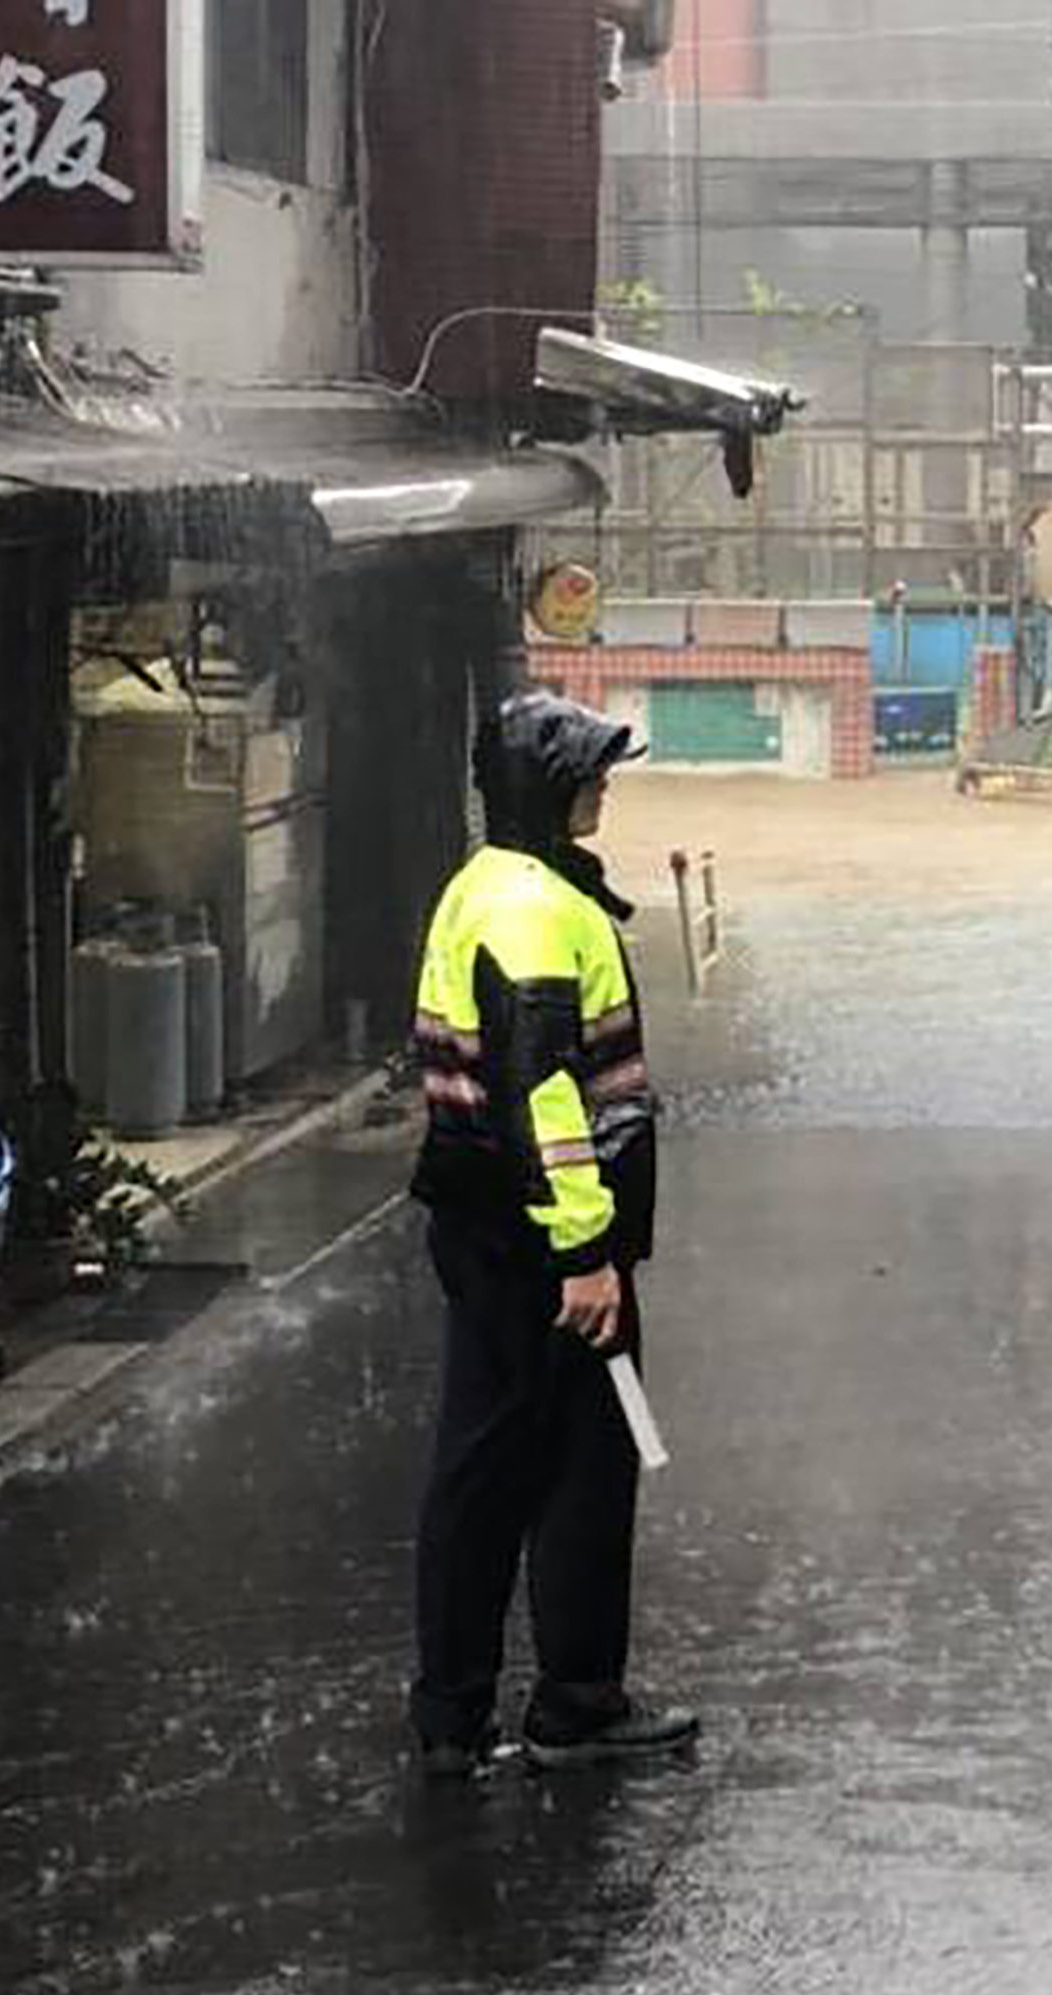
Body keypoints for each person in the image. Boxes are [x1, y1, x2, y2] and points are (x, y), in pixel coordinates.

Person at [407, 690, 693, 1780]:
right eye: (589, 771)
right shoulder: (534, 914)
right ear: (545, 786)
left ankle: (454, 1714)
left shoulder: (490, 886)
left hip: (491, 1227)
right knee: (583, 1464)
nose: (603, 785)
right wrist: (587, 1253)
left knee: (483, 1466)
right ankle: (574, 1701)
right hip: (545, 1243)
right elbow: (543, 1093)